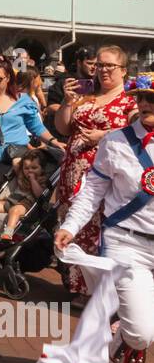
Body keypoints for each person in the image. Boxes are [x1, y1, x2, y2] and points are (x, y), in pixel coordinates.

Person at [54, 74, 154, 363]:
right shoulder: (116, 142)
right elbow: (93, 191)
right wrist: (69, 226)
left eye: (153, 98)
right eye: (142, 97)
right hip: (127, 243)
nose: (146, 105)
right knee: (141, 331)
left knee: (138, 329)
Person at [53, 45, 136, 295]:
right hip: (72, 172)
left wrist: (104, 135)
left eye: (109, 65)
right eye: (99, 65)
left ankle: (101, 292)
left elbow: (137, 130)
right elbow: (63, 129)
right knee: (73, 227)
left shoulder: (129, 100)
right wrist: (67, 103)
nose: (103, 71)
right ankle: (78, 286)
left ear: (123, 70)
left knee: (98, 231)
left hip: (105, 177)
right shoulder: (86, 96)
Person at [0, 59, 62, 207]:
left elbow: (36, 128)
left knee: (8, 204)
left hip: (13, 161)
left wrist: (53, 141)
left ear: (7, 78)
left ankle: (9, 230)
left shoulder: (23, 100)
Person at [45, 46, 98, 133]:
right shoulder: (66, 82)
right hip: (65, 134)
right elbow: (51, 107)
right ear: (79, 63)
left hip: (91, 132)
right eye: (89, 63)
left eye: (96, 64)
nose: (94, 67)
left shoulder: (100, 83)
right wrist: (69, 104)